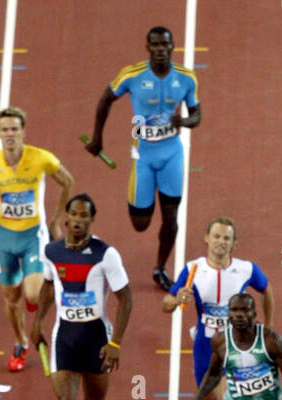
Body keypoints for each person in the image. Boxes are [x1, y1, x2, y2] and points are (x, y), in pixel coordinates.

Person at [30, 195, 132, 400]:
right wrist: (36, 323)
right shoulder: (51, 251)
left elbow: (126, 299)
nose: (77, 220)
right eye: (72, 214)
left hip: (96, 339)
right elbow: (48, 285)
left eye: (83, 216)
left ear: (91, 221)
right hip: (64, 338)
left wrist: (114, 345)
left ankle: (93, 387)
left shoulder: (106, 255)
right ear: (65, 218)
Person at [84, 26, 200, 290]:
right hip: (144, 155)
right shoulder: (132, 75)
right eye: (155, 45)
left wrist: (185, 120)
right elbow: (105, 99)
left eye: (165, 45)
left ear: (173, 47)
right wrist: (97, 138)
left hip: (172, 153)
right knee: (140, 223)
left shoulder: (186, 78)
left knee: (170, 215)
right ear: (147, 47)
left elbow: (197, 114)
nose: (160, 49)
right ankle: (144, 206)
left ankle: (160, 268)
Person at [0, 107, 74, 371]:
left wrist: (57, 220)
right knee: (12, 300)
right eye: (5, 130)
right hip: (5, 240)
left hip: (33, 236)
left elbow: (68, 182)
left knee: (32, 295)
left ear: (23, 131)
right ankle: (21, 342)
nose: (10, 134)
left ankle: (49, 305)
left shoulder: (41, 158)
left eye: (14, 129)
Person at [163, 217, 274, 400]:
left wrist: (269, 327)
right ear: (206, 238)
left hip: (238, 345)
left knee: (233, 399)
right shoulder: (193, 270)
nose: (220, 242)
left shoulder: (246, 270)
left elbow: (267, 290)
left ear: (234, 243)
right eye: (216, 236)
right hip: (206, 345)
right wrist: (177, 297)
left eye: (226, 238)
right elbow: (166, 306)